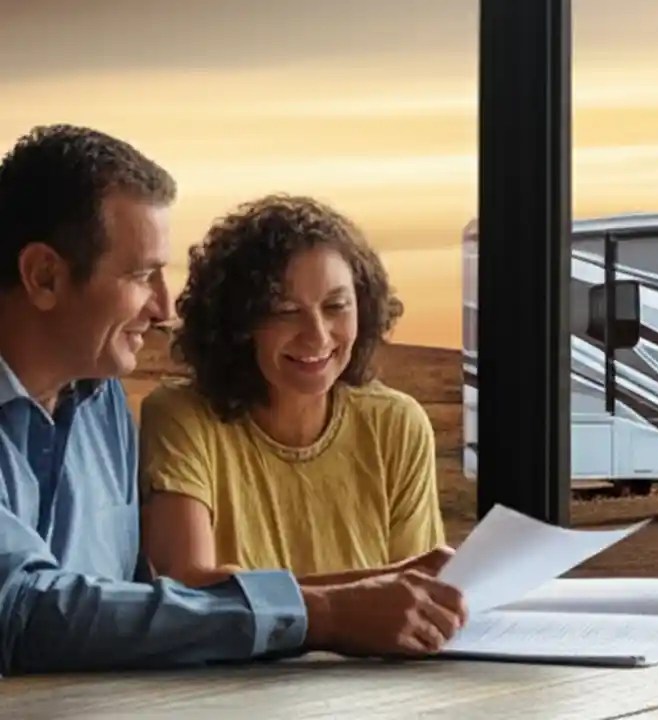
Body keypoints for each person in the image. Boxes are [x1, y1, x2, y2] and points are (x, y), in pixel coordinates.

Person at [0, 124, 465, 676]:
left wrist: (369, 591)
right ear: (44, 276)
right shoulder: (167, 413)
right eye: (142, 275)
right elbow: (23, 614)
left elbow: (139, 604)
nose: (163, 308)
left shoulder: (101, 406)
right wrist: (327, 614)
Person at [137, 193, 448, 589]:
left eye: (336, 306)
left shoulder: (397, 424)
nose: (317, 336)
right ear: (238, 322)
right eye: (285, 311)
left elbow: (420, 596)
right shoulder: (183, 417)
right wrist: (363, 603)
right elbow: (188, 589)